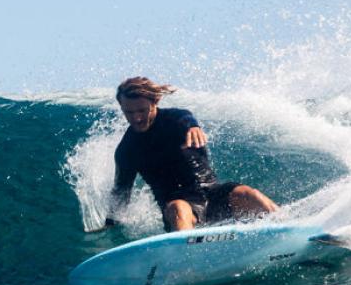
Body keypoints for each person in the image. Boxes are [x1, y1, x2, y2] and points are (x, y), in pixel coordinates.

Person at [95, 77, 278, 232]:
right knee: (178, 207)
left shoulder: (176, 120)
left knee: (247, 194)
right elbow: (121, 191)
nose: (136, 118)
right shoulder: (127, 150)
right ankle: (187, 254)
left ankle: (286, 229)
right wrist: (110, 225)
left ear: (155, 101)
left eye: (142, 110)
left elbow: (184, 116)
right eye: (129, 112)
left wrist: (193, 126)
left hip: (212, 193)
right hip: (180, 209)